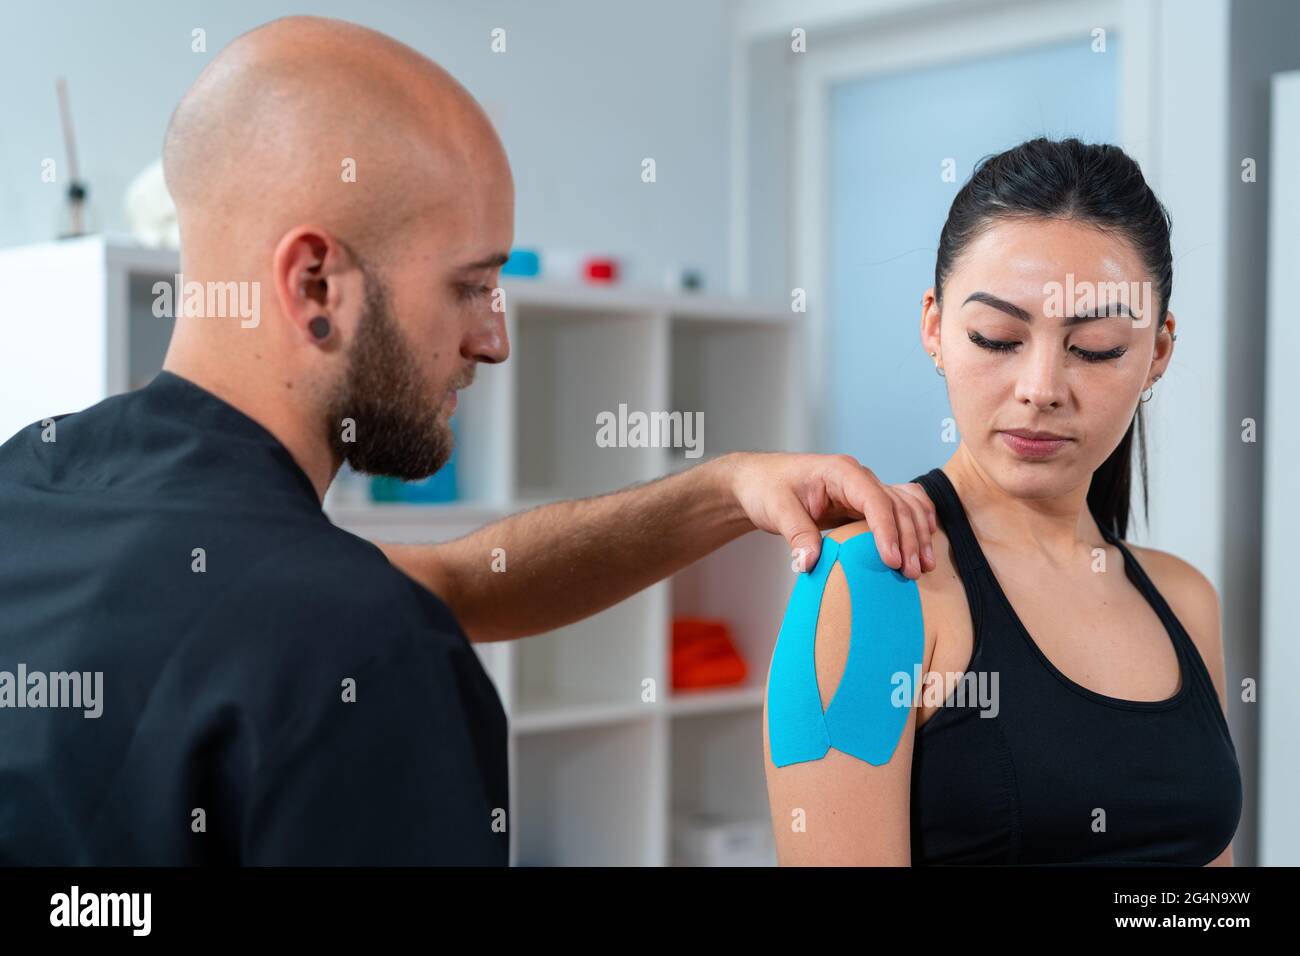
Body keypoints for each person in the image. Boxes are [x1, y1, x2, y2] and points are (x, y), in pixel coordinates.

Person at [0, 16, 941, 866]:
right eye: (468, 286)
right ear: (315, 283)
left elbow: (448, 580)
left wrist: (724, 487)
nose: (494, 340)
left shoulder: (32, 487)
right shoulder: (364, 649)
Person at [763, 137, 1242, 866]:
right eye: (996, 338)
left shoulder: (1186, 600)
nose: (1040, 388)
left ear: (1158, 353)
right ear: (935, 328)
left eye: (1097, 346)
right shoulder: (873, 585)